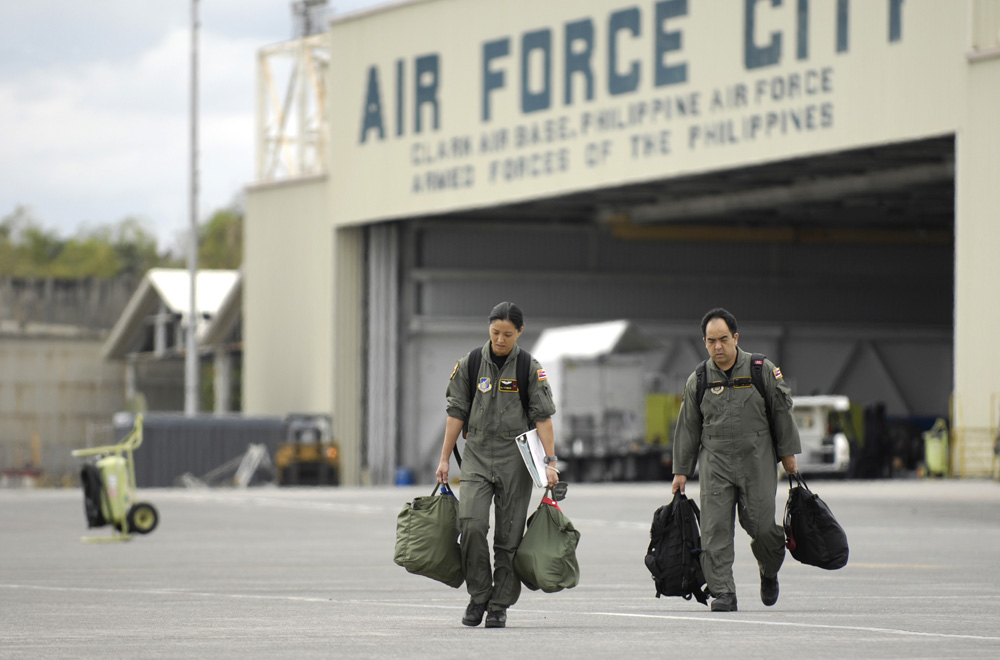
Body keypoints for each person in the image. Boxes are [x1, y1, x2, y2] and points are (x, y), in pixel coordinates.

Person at [436, 301, 558, 629]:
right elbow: (456, 412)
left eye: (507, 334)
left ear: (520, 332)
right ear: (488, 329)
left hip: (514, 462)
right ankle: (479, 595)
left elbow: (543, 418)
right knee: (471, 525)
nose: (500, 339)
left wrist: (551, 463)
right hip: (475, 457)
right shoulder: (471, 363)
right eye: (495, 333)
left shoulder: (529, 369)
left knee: (508, 537)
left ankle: (499, 605)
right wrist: (445, 458)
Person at [671, 307, 801, 612]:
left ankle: (768, 570)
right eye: (711, 341)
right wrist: (681, 471)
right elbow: (688, 427)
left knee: (763, 527)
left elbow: (782, 412)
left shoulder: (761, 370)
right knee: (715, 530)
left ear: (735, 338)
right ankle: (723, 592)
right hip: (715, 463)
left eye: (723, 339)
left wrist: (788, 455)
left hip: (757, 460)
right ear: (704, 342)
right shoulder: (699, 379)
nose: (718, 346)